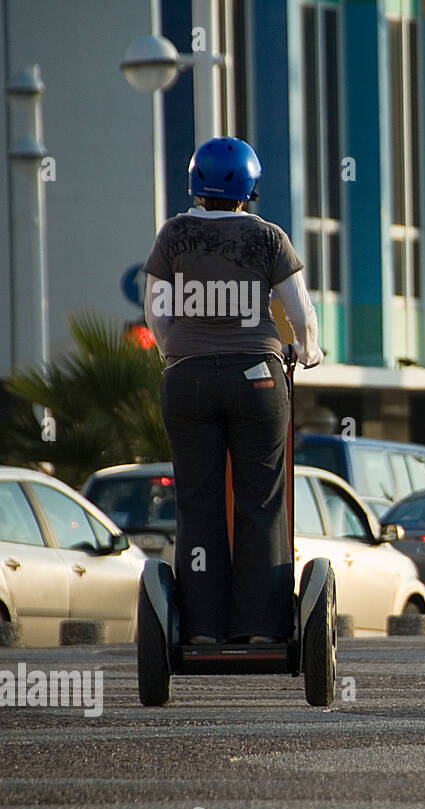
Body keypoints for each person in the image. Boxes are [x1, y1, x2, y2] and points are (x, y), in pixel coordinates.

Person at [143, 137, 323, 645]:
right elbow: (300, 314)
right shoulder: (268, 238)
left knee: (197, 503)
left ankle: (201, 628)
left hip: (188, 380)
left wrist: (174, 351)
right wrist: (309, 352)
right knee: (261, 502)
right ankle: (263, 628)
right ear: (249, 187)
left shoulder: (173, 236)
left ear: (195, 184)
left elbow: (157, 310)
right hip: (257, 379)